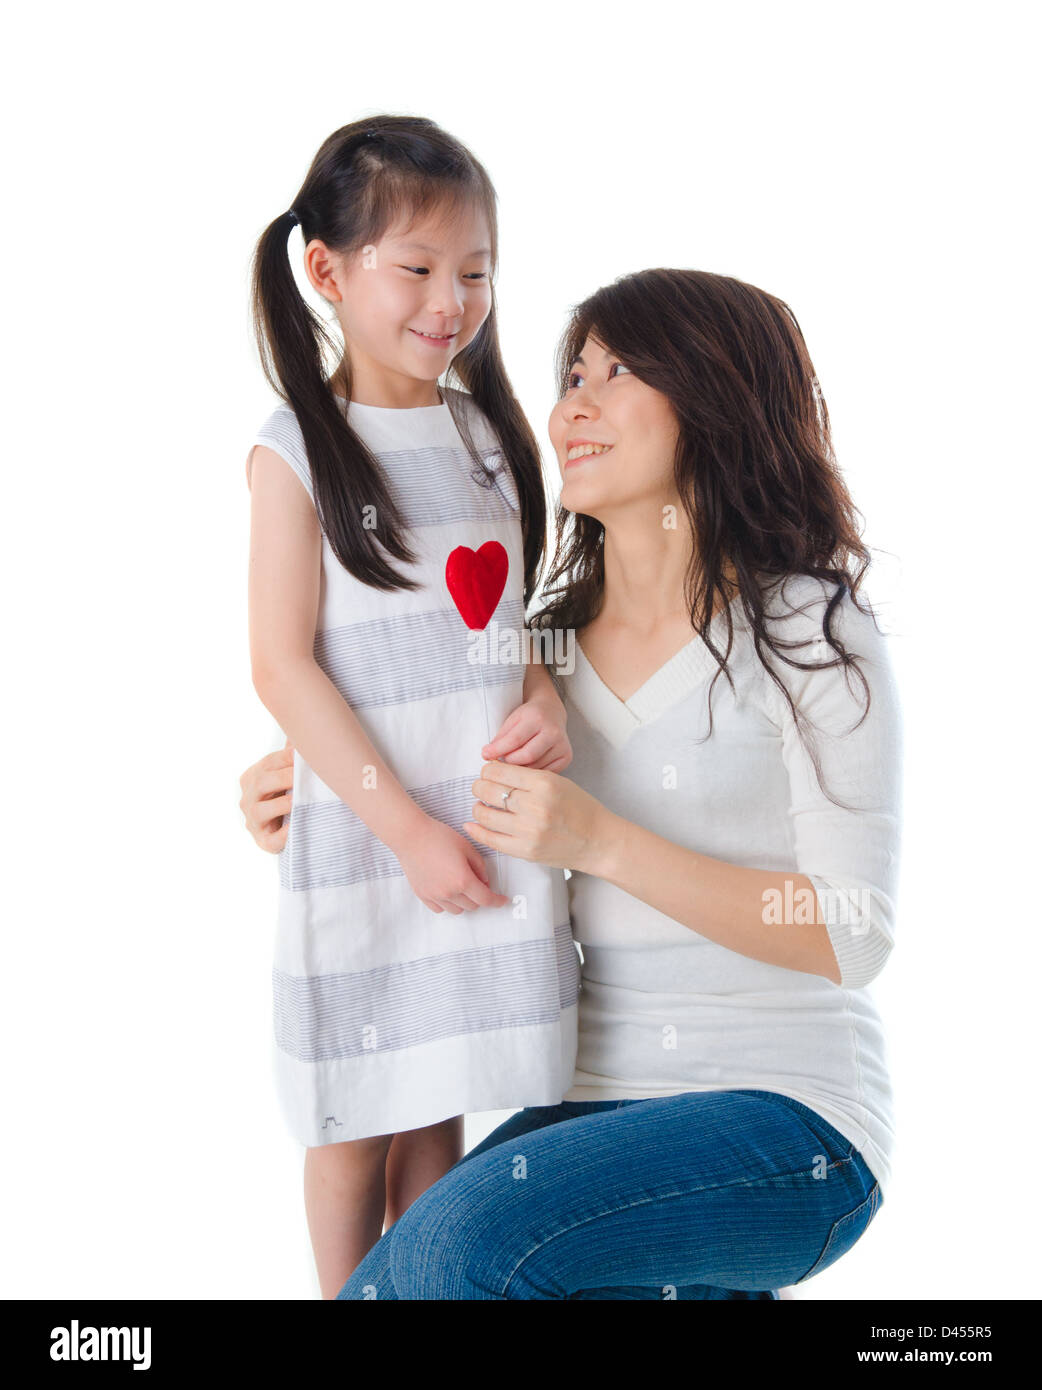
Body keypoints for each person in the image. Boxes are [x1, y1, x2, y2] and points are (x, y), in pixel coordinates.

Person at [240, 266, 903, 1299]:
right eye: (572, 373)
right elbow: (411, 757)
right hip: (588, 1103)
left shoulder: (808, 629)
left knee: (462, 1242)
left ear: (717, 395)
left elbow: (854, 930)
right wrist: (310, 787)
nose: (570, 409)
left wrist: (600, 841)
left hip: (788, 1112)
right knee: (404, 1265)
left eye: (619, 372)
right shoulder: (530, 645)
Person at [245, 116, 580, 1299]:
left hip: (476, 824)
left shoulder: (489, 434)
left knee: (433, 1098)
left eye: (476, 272)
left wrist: (542, 692)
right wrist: (406, 832)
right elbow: (283, 665)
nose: (453, 301)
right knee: (352, 1114)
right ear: (328, 272)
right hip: (376, 836)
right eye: (420, 268)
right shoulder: (298, 449)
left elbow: (509, 620)